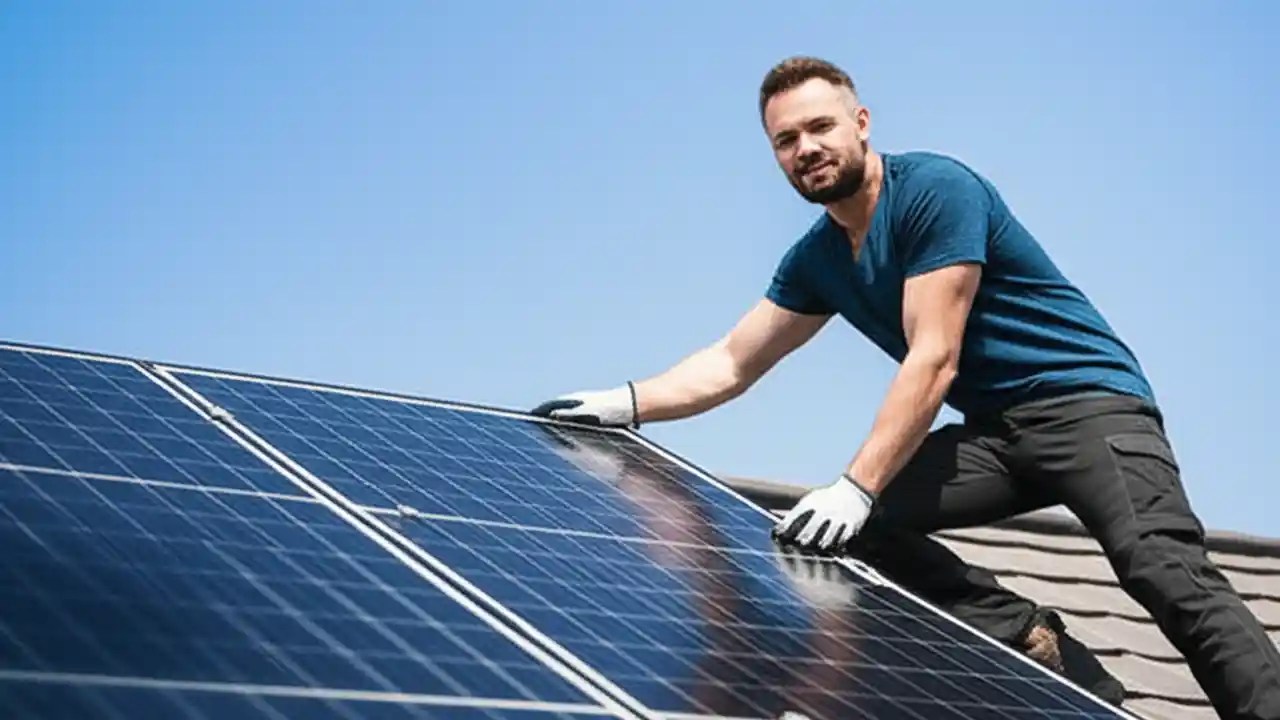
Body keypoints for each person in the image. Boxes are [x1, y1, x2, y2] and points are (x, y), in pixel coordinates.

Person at [531, 55, 1280, 718]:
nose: (806, 149)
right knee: (850, 530)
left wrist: (857, 485)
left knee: (1161, 567)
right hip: (996, 434)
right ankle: (1039, 644)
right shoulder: (817, 258)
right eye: (786, 141)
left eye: (820, 127)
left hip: (1089, 408)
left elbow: (933, 357)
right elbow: (731, 362)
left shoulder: (935, 191)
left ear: (861, 124)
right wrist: (626, 402)